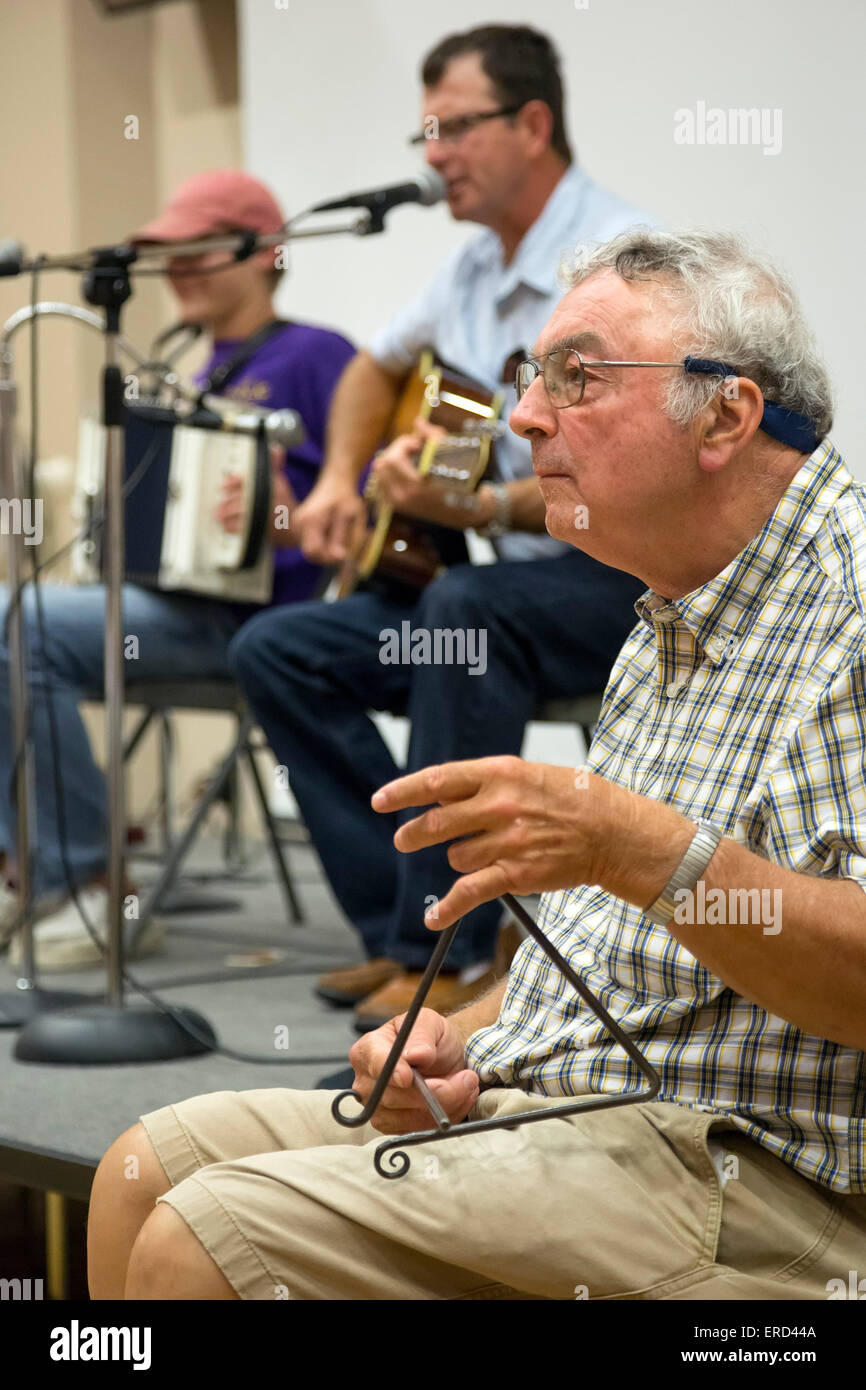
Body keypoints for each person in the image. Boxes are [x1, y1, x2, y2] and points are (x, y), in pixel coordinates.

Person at [88, 227, 866, 1301]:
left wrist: (633, 846)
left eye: (573, 377)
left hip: (752, 1169)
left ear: (725, 414)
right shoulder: (662, 617)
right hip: (581, 1099)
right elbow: (599, 954)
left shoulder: (852, 606)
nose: (524, 417)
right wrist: (446, 1039)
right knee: (142, 1168)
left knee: (205, 1234)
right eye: (529, 376)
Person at [229, 24, 659, 1030]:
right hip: (497, 589)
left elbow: (624, 477)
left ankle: (442, 949)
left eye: (452, 128)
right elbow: (376, 368)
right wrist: (342, 480)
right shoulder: (466, 273)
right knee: (281, 648)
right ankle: (413, 925)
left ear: (532, 124)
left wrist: (475, 505)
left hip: (614, 582)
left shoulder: (619, 267)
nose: (429, 156)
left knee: (468, 605)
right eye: (424, 133)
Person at [0, 169, 355, 970]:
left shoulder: (320, 355)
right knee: (10, 613)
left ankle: (90, 886)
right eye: (170, 254)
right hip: (163, 604)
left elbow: (357, 519)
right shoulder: (186, 369)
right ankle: (27, 862)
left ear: (263, 253)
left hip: (255, 624)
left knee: (20, 622)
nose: (178, 269)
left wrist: (272, 519)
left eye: (198, 250)